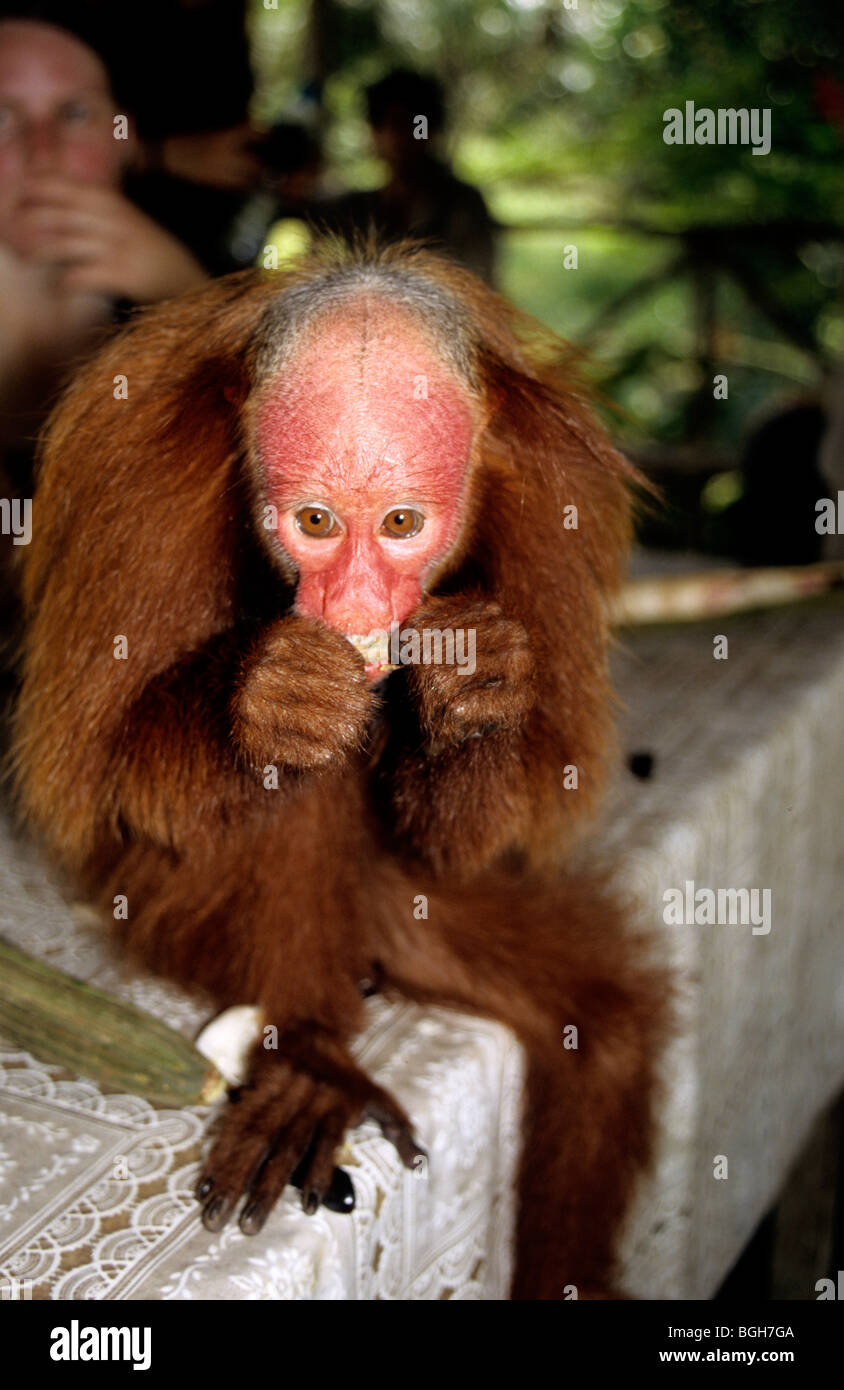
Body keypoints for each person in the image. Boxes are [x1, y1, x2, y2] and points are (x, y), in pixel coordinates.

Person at [325, 69, 497, 285]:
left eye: (411, 125)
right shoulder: (355, 208)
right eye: (386, 124)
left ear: (431, 131)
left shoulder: (462, 207)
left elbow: (477, 287)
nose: (397, 137)